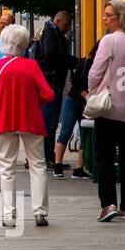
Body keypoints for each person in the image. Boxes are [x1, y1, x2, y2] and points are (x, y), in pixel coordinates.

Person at [0, 23, 54, 228]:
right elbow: (49, 94)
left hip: (4, 121)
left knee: (7, 168)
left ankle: (9, 215)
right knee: (38, 166)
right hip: (30, 121)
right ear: (23, 45)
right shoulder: (31, 66)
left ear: (4, 43)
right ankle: (40, 212)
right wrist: (31, 99)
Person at [88, 0, 125, 222]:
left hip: (110, 108)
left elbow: (95, 72)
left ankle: (108, 204)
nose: (104, 19)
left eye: (109, 15)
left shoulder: (108, 41)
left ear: (121, 18)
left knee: (104, 158)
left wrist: (93, 91)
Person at [34, 11, 74, 172]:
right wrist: (71, 61)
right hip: (50, 85)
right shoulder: (51, 33)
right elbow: (51, 55)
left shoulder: (52, 32)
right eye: (65, 25)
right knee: (49, 123)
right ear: (57, 21)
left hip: (52, 84)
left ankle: (49, 157)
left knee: (50, 122)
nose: (67, 29)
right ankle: (47, 157)